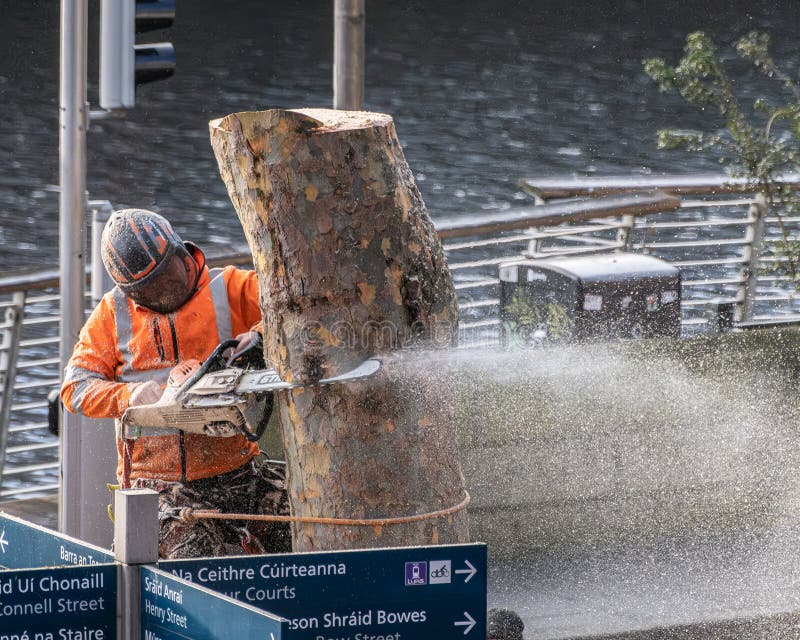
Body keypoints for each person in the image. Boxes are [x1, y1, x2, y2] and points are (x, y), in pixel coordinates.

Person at [61, 208, 291, 559]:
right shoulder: (112, 314)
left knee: (298, 520)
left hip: (237, 471)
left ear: (182, 254)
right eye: (152, 288)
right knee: (193, 555)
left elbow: (291, 308)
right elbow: (74, 388)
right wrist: (131, 396)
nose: (166, 291)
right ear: (132, 292)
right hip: (157, 487)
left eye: (169, 275)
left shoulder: (229, 287)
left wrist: (259, 338)